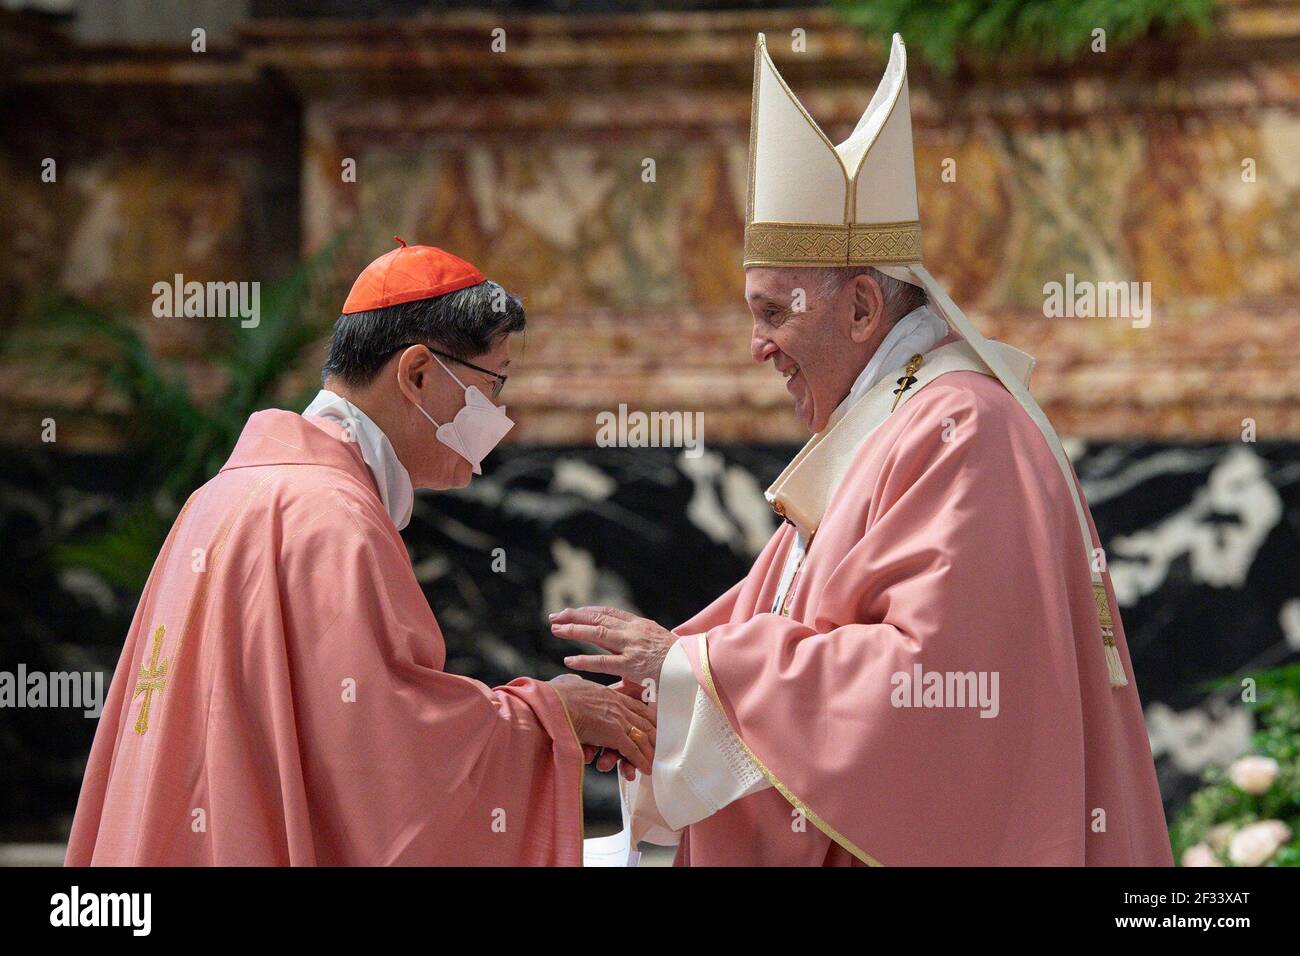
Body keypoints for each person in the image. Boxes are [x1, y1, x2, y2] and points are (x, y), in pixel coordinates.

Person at [550, 34, 1172, 866]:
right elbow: (777, 615)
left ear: (862, 306)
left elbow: (934, 689)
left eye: (773, 313)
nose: (757, 346)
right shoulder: (888, 423)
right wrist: (662, 698)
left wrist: (691, 667)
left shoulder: (961, 430)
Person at [67, 239, 653, 866]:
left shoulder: (223, 495)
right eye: (495, 381)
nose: (502, 413)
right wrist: (549, 720)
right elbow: (385, 762)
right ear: (419, 374)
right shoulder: (333, 518)